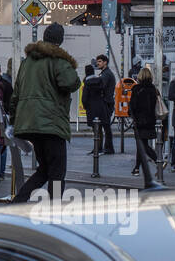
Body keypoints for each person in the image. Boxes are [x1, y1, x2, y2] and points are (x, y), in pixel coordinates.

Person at [8, 24, 81, 203]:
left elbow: (16, 94)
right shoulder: (59, 61)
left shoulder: (27, 62)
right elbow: (71, 83)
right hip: (51, 123)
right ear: (60, 40)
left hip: (30, 123)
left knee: (45, 169)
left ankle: (19, 201)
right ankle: (55, 209)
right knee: (57, 171)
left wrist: (14, 118)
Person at [127, 66, 165, 183]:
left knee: (142, 145)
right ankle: (137, 168)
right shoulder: (153, 89)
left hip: (139, 121)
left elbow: (133, 105)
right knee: (141, 144)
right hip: (150, 120)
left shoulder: (136, 89)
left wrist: (131, 114)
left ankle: (159, 161)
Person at [93, 55, 116, 154]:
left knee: (106, 126)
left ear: (105, 62)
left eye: (100, 61)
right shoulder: (105, 73)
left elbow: (101, 86)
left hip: (106, 103)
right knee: (104, 126)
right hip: (107, 102)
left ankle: (108, 148)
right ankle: (104, 147)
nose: (98, 63)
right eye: (97, 61)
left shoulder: (106, 74)